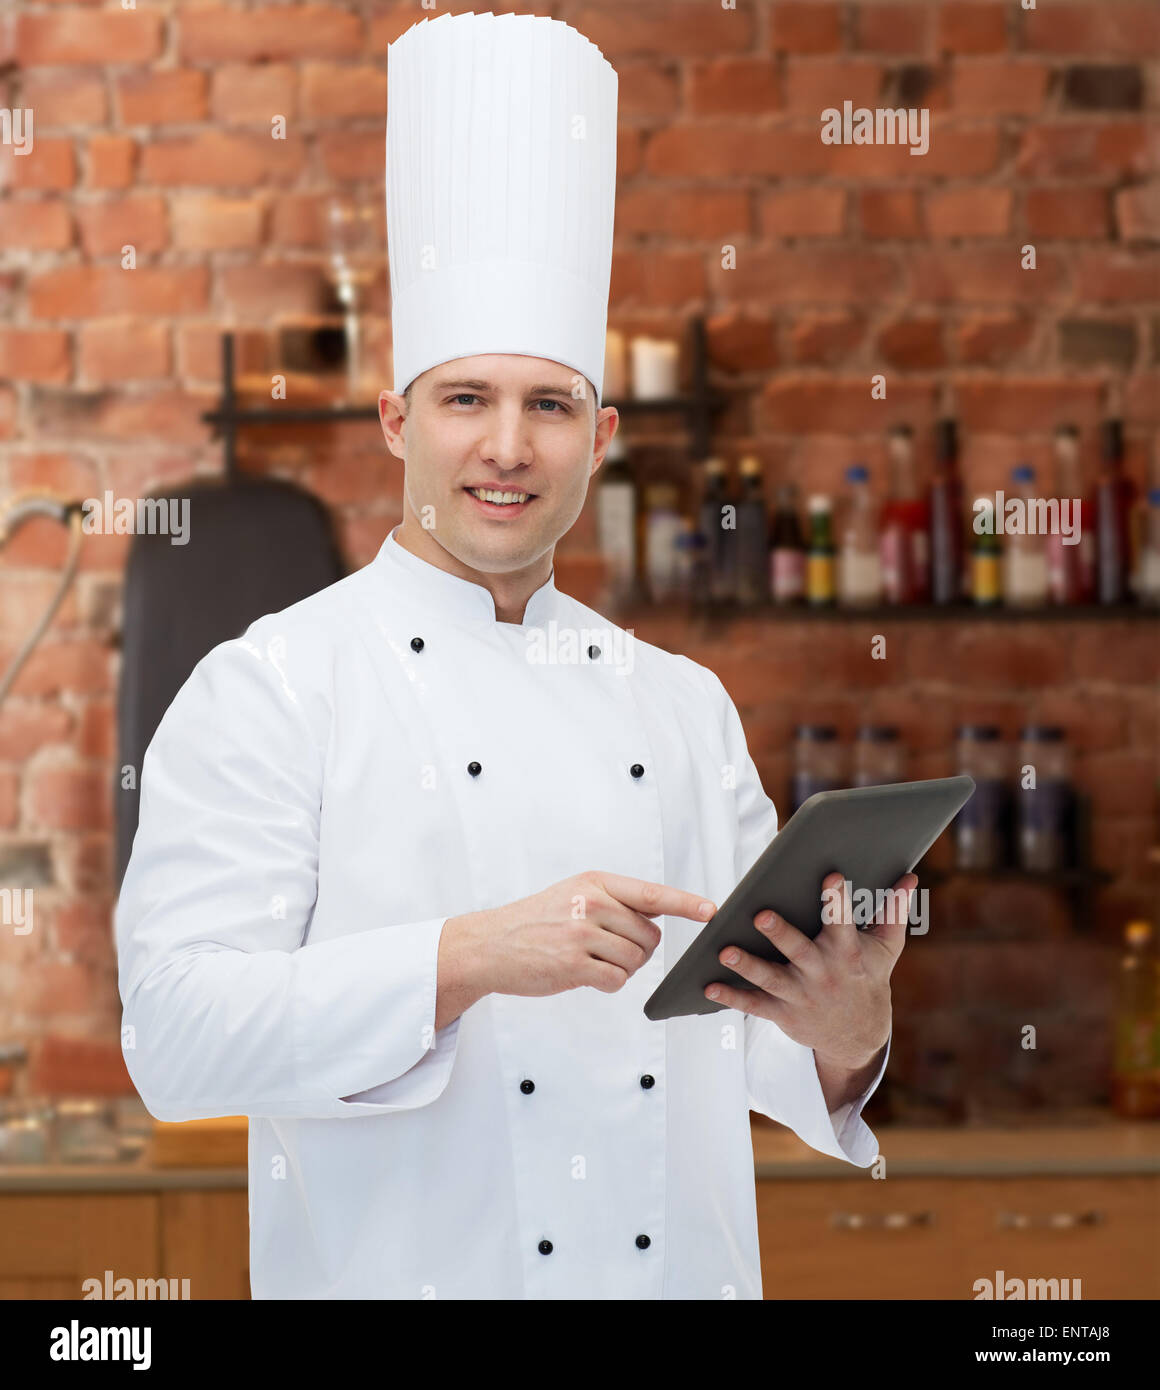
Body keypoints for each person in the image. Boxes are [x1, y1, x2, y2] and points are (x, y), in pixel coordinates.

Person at [115, 11, 914, 1300]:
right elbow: (176, 1040)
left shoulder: (684, 707)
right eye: (465, 400)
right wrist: (469, 957)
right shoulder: (270, 686)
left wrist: (846, 1028)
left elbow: (770, 1070)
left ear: (597, 437)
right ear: (397, 421)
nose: (507, 447)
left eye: (547, 405)